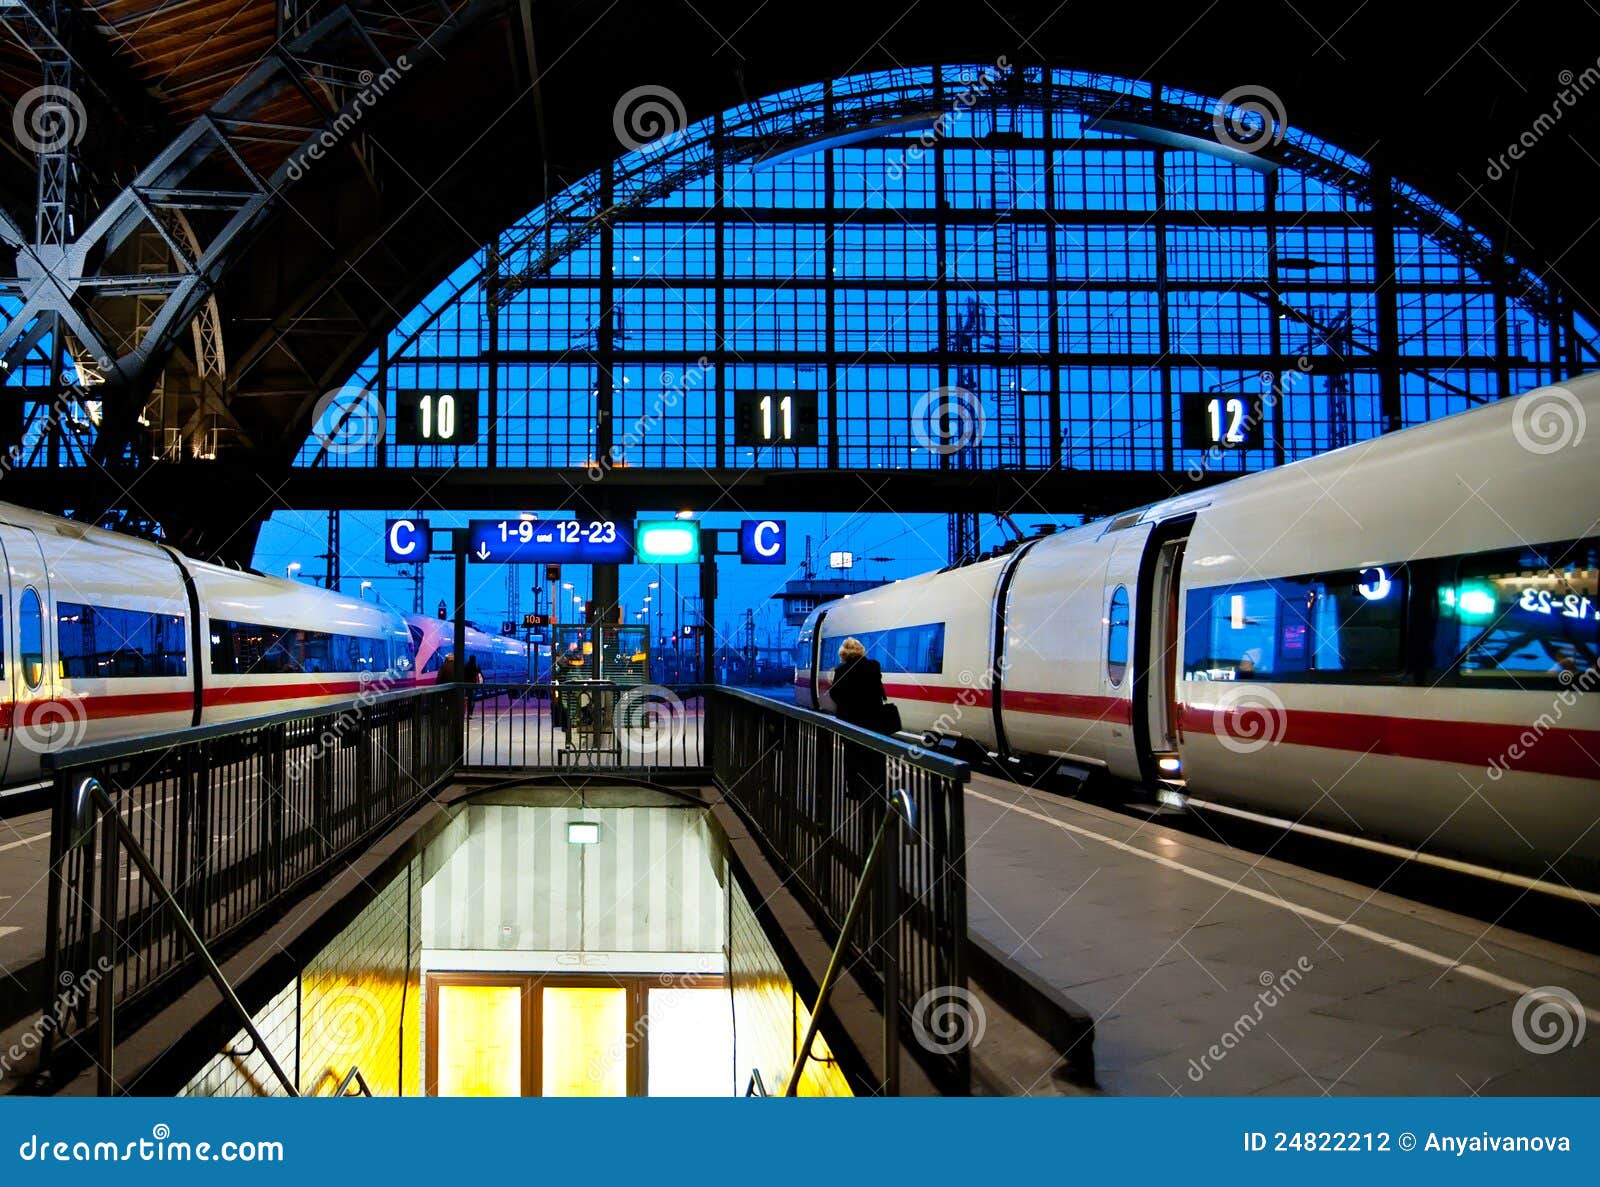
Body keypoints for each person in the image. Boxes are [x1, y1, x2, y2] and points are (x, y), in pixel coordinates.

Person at [829, 637, 889, 802]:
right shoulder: (874, 666)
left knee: (852, 757)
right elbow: (878, 691)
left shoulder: (841, 670)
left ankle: (855, 790)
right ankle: (875, 789)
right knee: (873, 755)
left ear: (843, 653)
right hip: (873, 720)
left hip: (851, 721)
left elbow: (834, 693)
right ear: (861, 650)